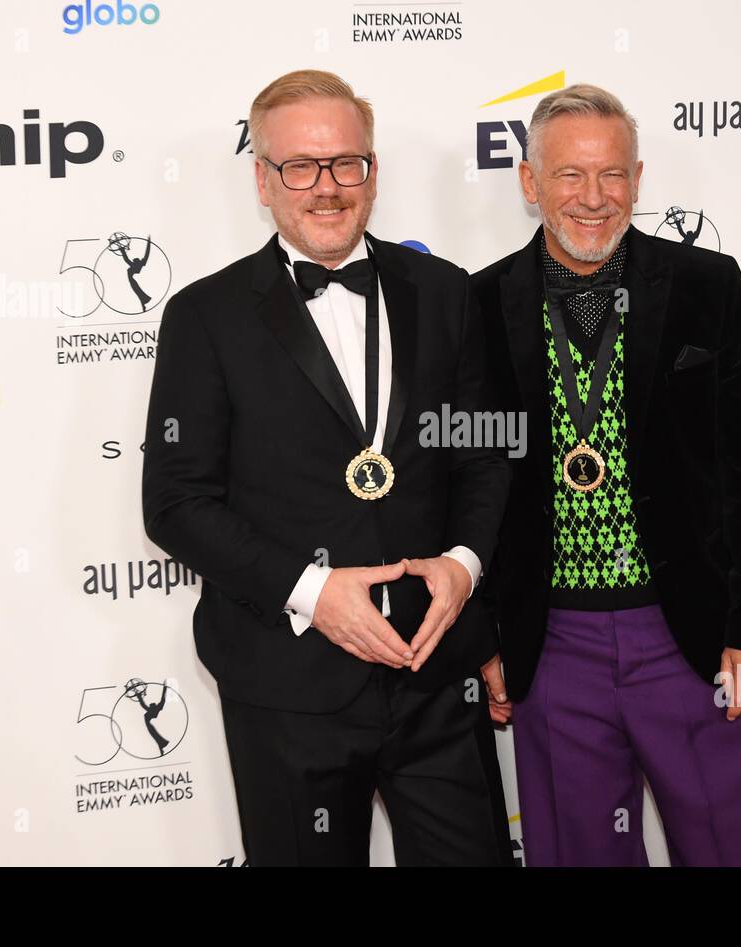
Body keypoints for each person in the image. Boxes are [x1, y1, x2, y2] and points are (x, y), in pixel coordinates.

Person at [143, 70, 513, 866]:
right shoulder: (205, 316)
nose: (327, 187)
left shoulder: (445, 292)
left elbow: (484, 452)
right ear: (262, 180)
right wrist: (313, 593)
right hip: (287, 688)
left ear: (372, 173)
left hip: (435, 677)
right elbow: (175, 502)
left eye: (347, 163)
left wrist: (464, 563)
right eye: (300, 166)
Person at [472, 83, 741, 866]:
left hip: (689, 635)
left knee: (737, 850)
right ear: (529, 181)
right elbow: (469, 487)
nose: (593, 198)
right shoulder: (478, 305)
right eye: (569, 175)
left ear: (639, 178)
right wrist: (485, 639)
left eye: (612, 175)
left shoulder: (707, 286)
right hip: (550, 647)